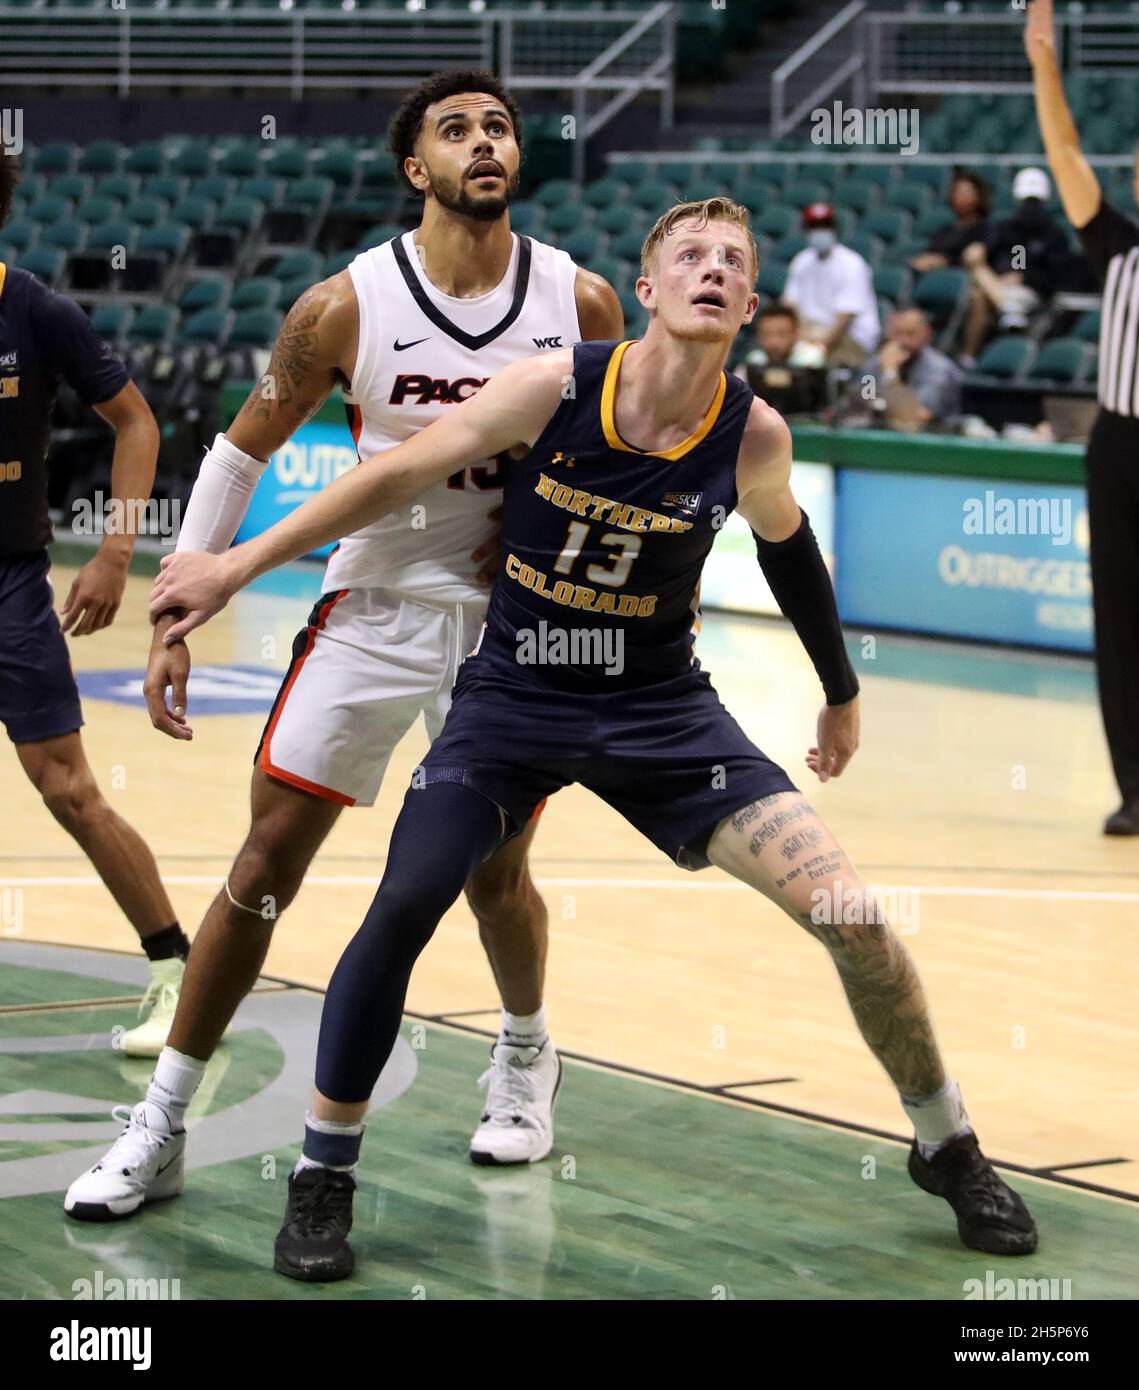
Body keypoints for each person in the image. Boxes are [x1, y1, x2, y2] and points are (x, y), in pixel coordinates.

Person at [139, 196, 1037, 1280]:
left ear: (751, 304)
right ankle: (323, 1171)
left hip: (661, 710)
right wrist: (233, 563)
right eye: (688, 256)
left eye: (732, 262)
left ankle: (945, 1141)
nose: (711, 270)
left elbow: (786, 545)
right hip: (515, 696)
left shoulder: (752, 430)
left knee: (849, 912)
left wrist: (838, 689)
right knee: (406, 899)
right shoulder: (555, 383)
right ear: (646, 291)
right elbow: (390, 475)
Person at [63, 69, 624, 1221]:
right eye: (456, 129)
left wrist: (551, 542)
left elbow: (611, 463)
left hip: (508, 626)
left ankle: (526, 1051)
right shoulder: (343, 307)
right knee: (267, 858)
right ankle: (163, 1117)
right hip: (375, 598)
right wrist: (178, 611)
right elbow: (237, 451)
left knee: (493, 870)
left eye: (500, 128)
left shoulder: (582, 301)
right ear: (415, 168)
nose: (485, 143)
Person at [0, 152, 189, 1049]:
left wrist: (117, 552)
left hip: (8, 585)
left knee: (70, 790)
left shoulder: (37, 312)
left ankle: (172, 971)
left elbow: (137, 422)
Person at [1025, 0, 1139, 834]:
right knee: (1119, 619)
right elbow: (1063, 151)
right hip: (1119, 443)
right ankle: (1134, 788)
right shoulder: (1117, 246)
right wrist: (1042, 62)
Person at [960, 166, 1076, 360]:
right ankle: (971, 356)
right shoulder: (1011, 230)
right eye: (1026, 202)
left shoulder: (1053, 235)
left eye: (1034, 202)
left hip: (1034, 293)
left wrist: (1024, 276)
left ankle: (973, 354)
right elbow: (1017, 256)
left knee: (979, 294)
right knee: (977, 288)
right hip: (1002, 288)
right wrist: (983, 250)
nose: (1030, 208)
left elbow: (1055, 276)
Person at [782, 203, 879, 368]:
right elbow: (789, 305)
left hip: (849, 338)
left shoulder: (851, 263)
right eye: (814, 226)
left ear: (834, 228)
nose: (819, 231)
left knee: (809, 365)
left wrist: (820, 347)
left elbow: (845, 317)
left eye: (824, 226)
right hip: (809, 332)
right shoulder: (801, 261)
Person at [856, 307, 963, 433]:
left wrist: (890, 373)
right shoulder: (875, 364)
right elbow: (861, 407)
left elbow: (914, 416)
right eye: (897, 334)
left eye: (910, 334)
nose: (902, 342)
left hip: (932, 443)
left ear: (927, 334)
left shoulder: (940, 370)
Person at [735, 301, 826, 417]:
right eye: (766, 334)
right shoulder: (753, 360)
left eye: (781, 334)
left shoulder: (812, 359)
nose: (774, 342)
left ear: (795, 334)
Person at [909, 169, 992, 277]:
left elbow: (976, 259)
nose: (960, 197)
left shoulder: (986, 230)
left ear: (978, 196)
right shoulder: (946, 230)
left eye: (966, 192)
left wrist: (944, 262)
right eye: (957, 192)